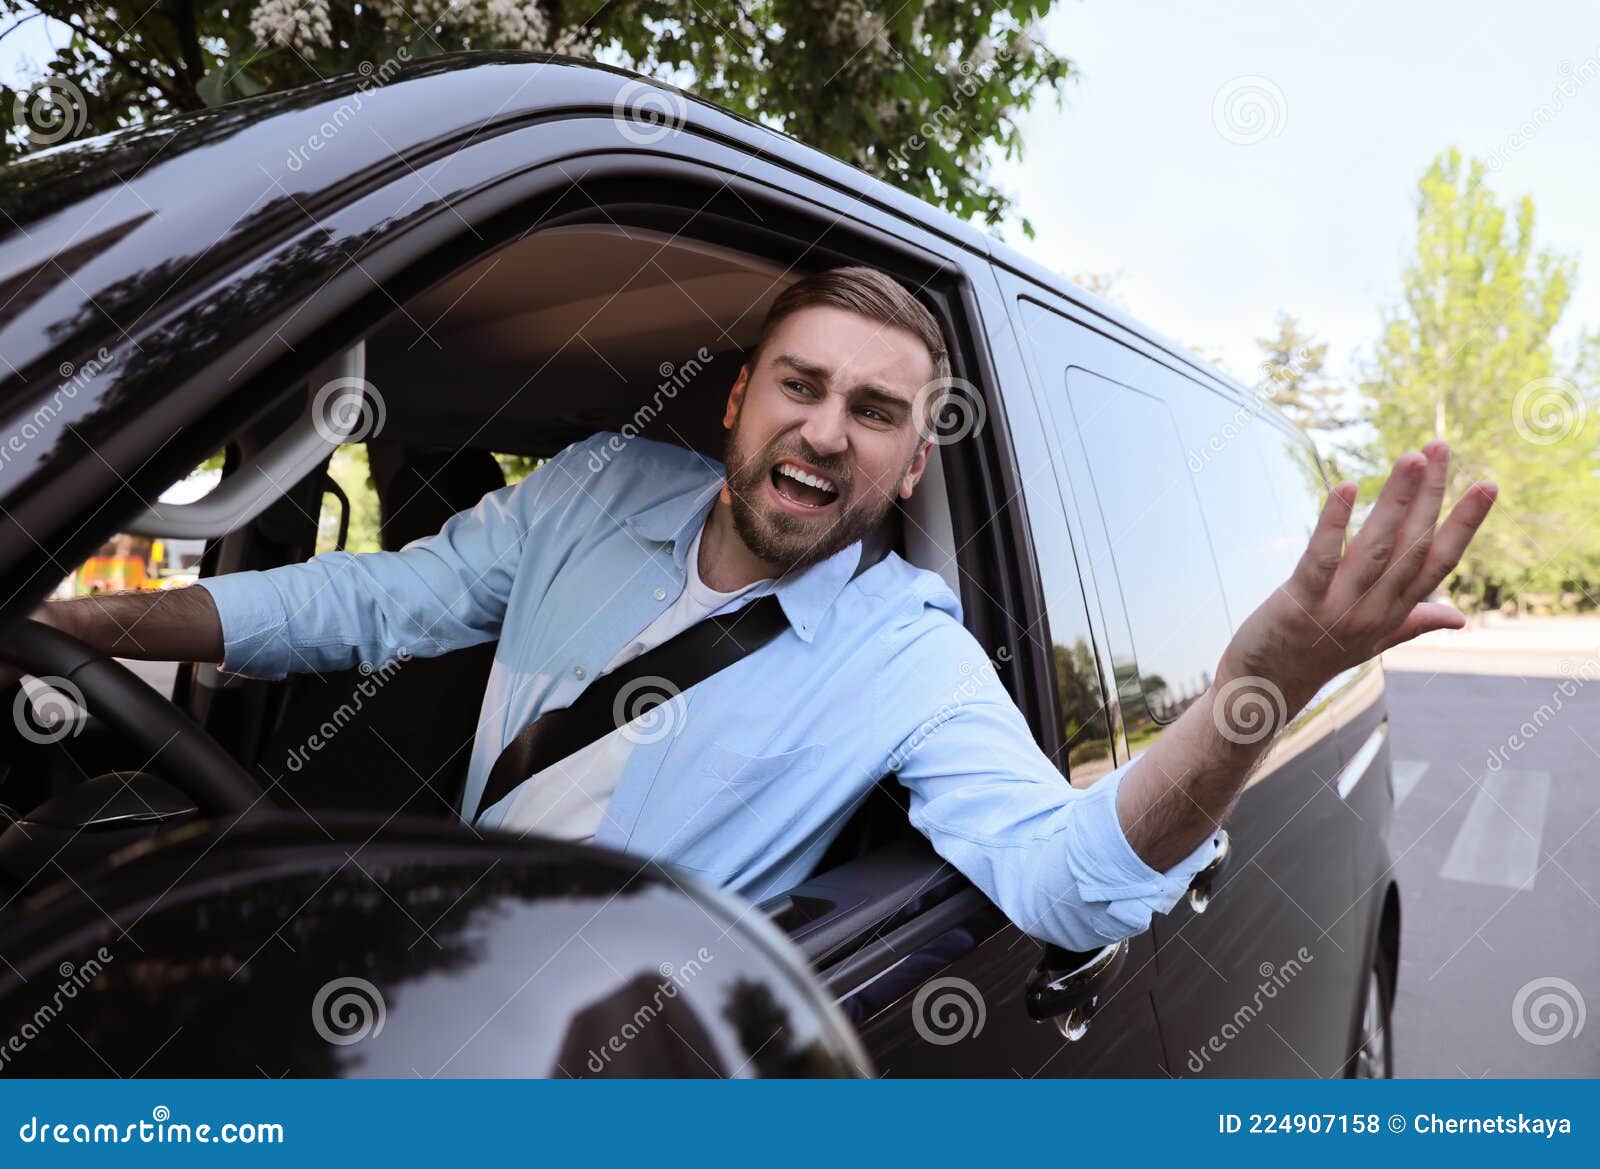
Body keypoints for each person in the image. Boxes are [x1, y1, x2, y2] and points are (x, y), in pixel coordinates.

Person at [22, 267, 1497, 953]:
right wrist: (82, 631)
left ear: (915, 457)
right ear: (742, 399)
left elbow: (1068, 878)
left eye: (876, 411)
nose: (828, 429)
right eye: (802, 385)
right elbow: (365, 603)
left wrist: (1261, 680)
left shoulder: (911, 651)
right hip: (424, 962)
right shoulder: (594, 487)